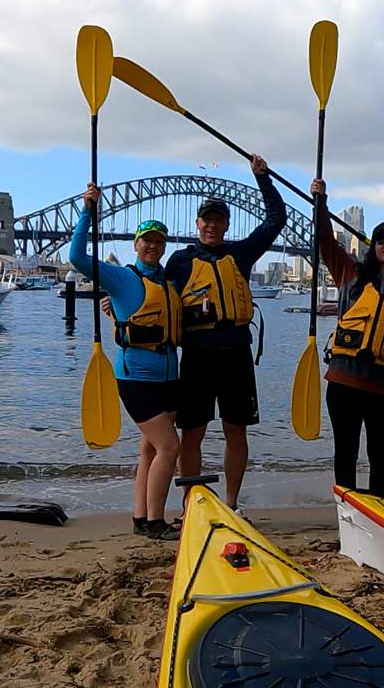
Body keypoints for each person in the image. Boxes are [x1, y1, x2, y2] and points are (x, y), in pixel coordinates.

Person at [166, 155, 286, 509]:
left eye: (219, 220)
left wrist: (262, 178)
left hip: (235, 355)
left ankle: (232, 503)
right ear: (197, 223)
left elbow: (276, 219)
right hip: (197, 357)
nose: (212, 226)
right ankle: (192, 503)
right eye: (207, 220)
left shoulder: (242, 253)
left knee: (236, 430)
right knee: (193, 432)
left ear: (226, 224)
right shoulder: (180, 262)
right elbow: (151, 295)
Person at [70, 185, 182, 541]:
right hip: (137, 378)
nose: (152, 246)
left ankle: (140, 518)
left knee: (150, 448)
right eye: (146, 240)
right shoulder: (122, 278)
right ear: (135, 245)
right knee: (170, 447)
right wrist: (88, 211)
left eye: (159, 241)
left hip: (168, 377)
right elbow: (76, 257)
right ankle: (156, 522)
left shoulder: (167, 280)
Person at [311, 177, 384, 497]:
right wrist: (321, 202)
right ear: (374, 246)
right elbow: (325, 242)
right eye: (382, 239)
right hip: (344, 382)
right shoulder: (350, 274)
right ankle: (348, 507)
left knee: (380, 454)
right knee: (345, 450)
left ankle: (377, 509)